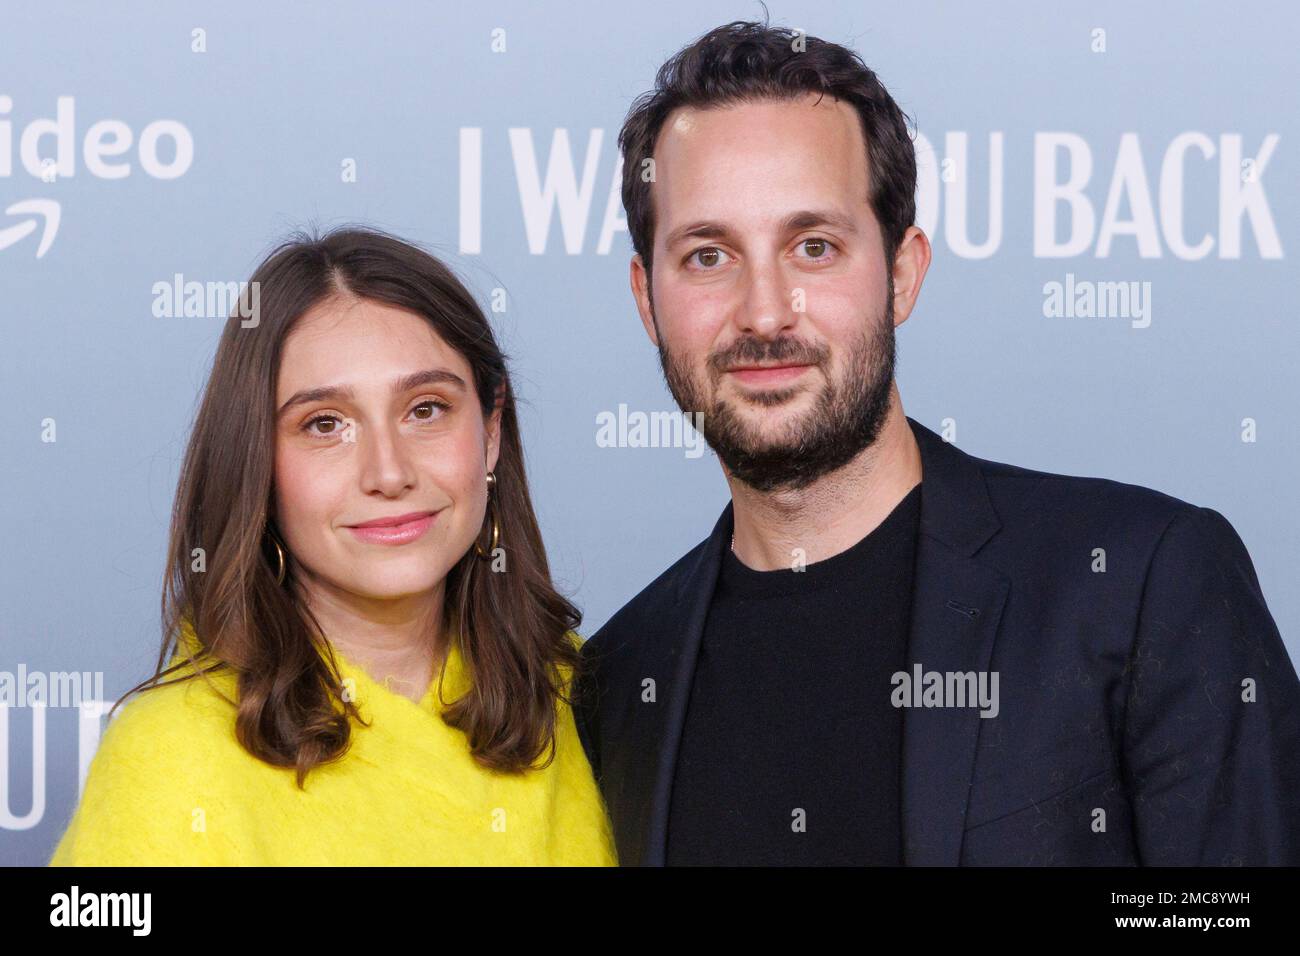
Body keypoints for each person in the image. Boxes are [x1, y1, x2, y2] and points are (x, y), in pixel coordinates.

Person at [572, 19, 1300, 866]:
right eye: (706, 256)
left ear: (902, 273)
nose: (765, 312)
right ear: (644, 298)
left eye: (814, 247)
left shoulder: (1143, 583)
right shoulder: (617, 683)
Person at [51, 227, 617, 866]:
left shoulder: (584, 699)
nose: (388, 471)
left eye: (426, 410)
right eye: (326, 424)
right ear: (258, 464)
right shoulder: (166, 760)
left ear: (489, 432)